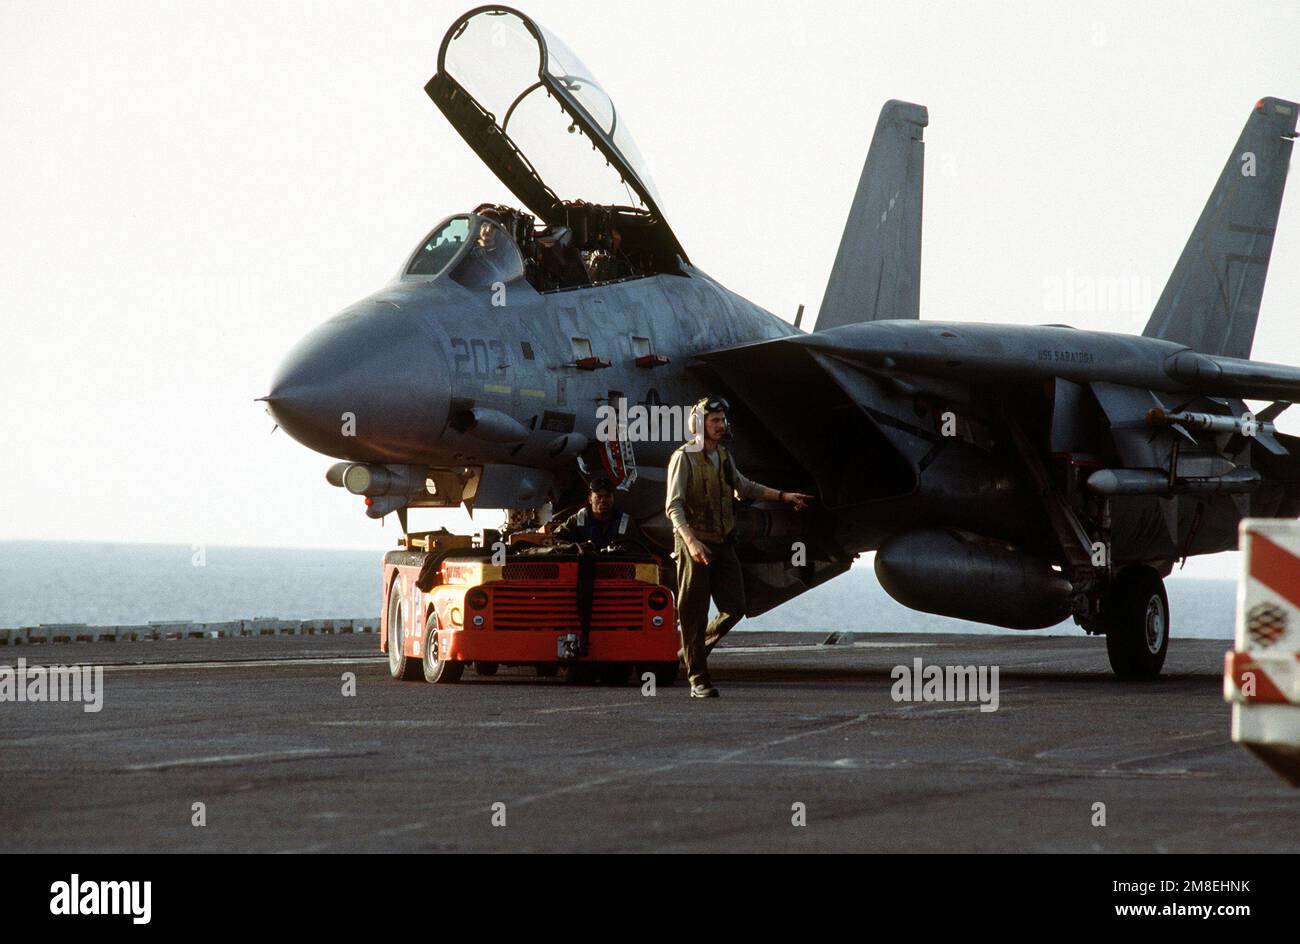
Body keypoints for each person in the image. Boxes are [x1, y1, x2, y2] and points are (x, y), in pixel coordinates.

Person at [666, 396, 813, 698]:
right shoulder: (684, 457)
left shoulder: (722, 455)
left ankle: (690, 651)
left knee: (735, 608)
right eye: (714, 421)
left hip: (723, 543)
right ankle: (698, 679)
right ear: (698, 424)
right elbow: (674, 506)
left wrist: (784, 497)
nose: (720, 426)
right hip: (695, 545)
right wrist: (691, 542)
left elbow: (744, 487)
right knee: (693, 613)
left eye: (722, 420)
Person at [513, 477, 642, 550]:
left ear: (613, 498)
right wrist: (576, 548)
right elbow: (557, 538)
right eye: (599, 497)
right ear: (590, 499)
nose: (603, 500)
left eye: (607, 496)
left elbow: (637, 547)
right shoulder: (579, 519)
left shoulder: (625, 522)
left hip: (616, 574)